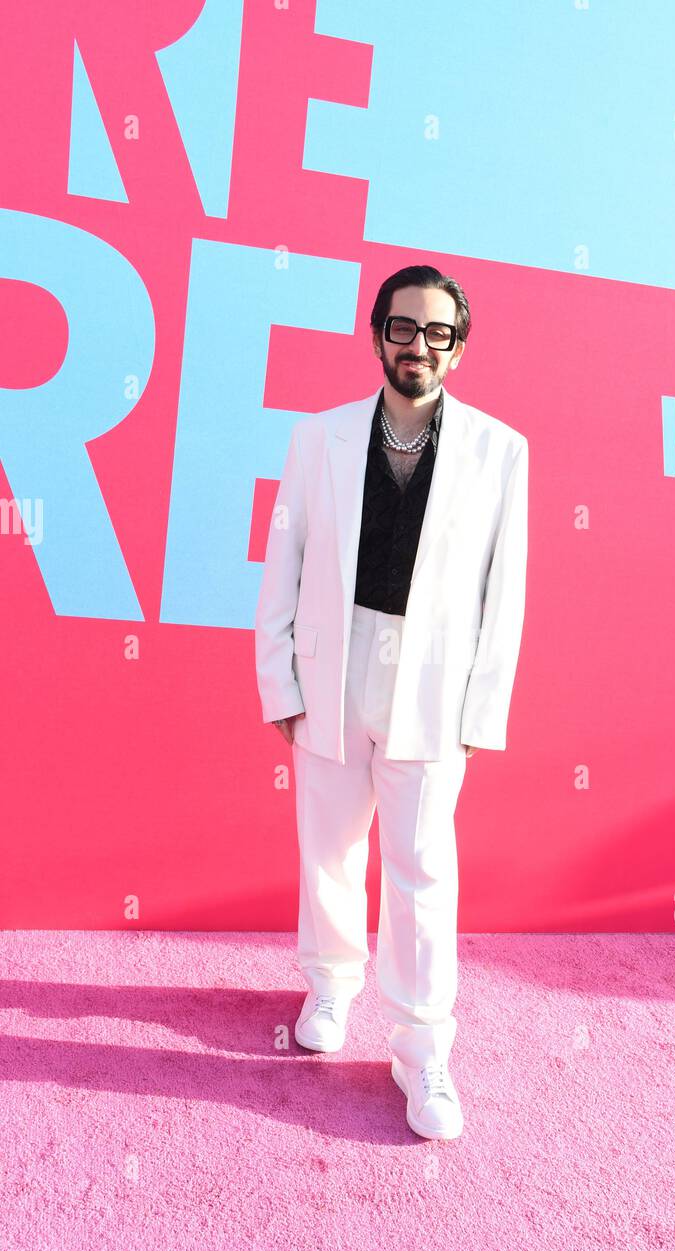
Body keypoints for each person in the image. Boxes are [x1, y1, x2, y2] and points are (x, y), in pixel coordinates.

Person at [255, 264, 529, 1140]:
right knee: (328, 847)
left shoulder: (499, 451)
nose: (419, 345)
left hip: (432, 685)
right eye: (403, 328)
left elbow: (505, 593)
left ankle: (421, 1049)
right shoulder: (318, 438)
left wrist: (482, 713)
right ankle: (331, 983)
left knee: (421, 870)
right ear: (377, 333)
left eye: (438, 332)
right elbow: (284, 566)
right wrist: (280, 684)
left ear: (459, 344)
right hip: (333, 666)